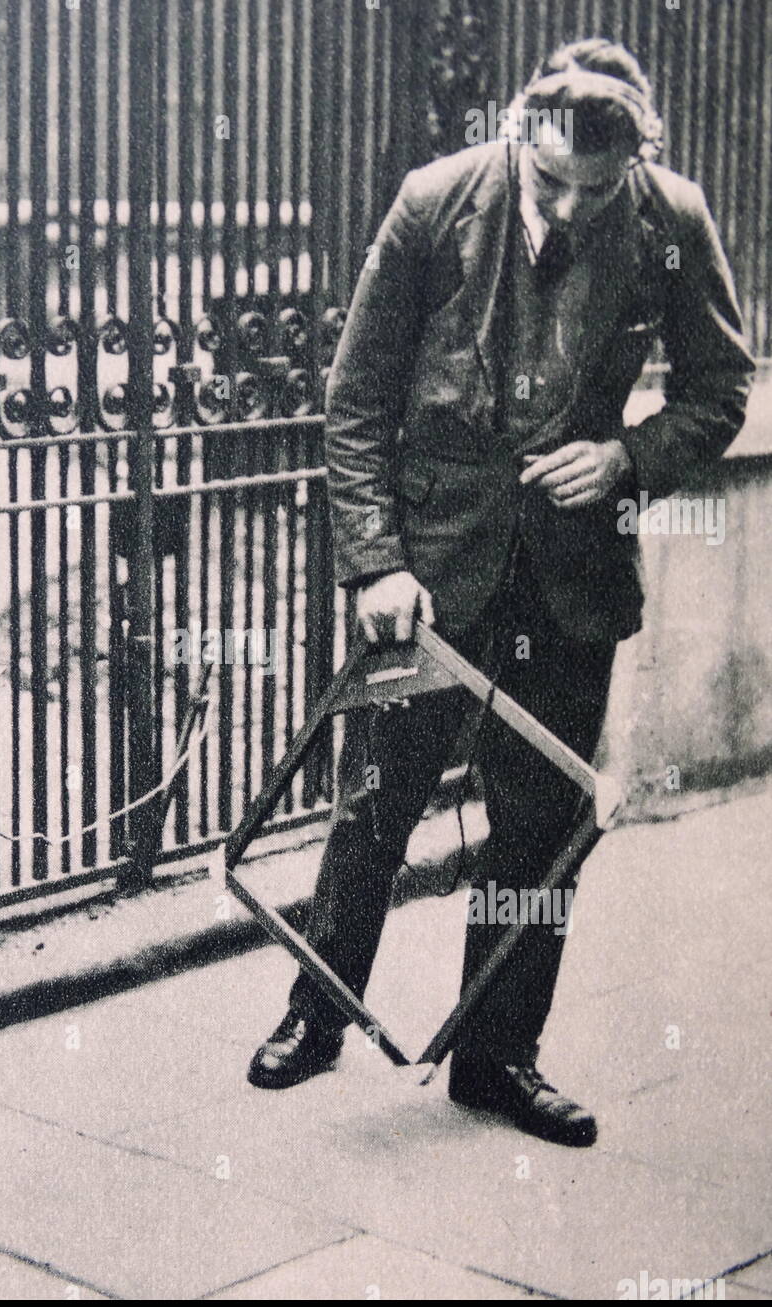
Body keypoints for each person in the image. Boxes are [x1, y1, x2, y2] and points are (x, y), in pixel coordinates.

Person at [247, 39, 754, 1146]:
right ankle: (319, 1011)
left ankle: (499, 1054)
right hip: (430, 567)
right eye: (552, 182)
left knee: (538, 831)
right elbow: (357, 398)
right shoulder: (434, 203)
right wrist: (377, 563)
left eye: (597, 189)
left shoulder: (671, 219)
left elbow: (722, 389)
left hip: (571, 577)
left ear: (635, 162)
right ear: (521, 133)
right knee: (376, 804)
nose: (572, 208)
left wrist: (627, 460)